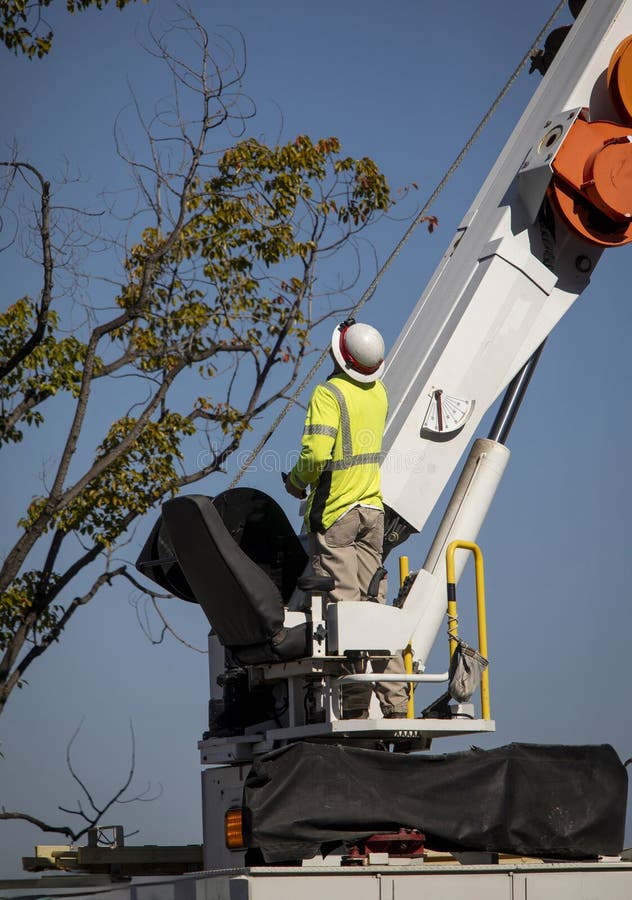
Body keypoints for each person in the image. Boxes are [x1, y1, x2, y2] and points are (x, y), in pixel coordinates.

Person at [284, 319, 409, 719]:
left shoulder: (328, 394)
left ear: (339, 355)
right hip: (373, 512)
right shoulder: (379, 394)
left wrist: (296, 483)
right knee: (374, 610)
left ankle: (355, 707)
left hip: (336, 512)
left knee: (346, 615)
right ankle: (397, 705)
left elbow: (318, 454)